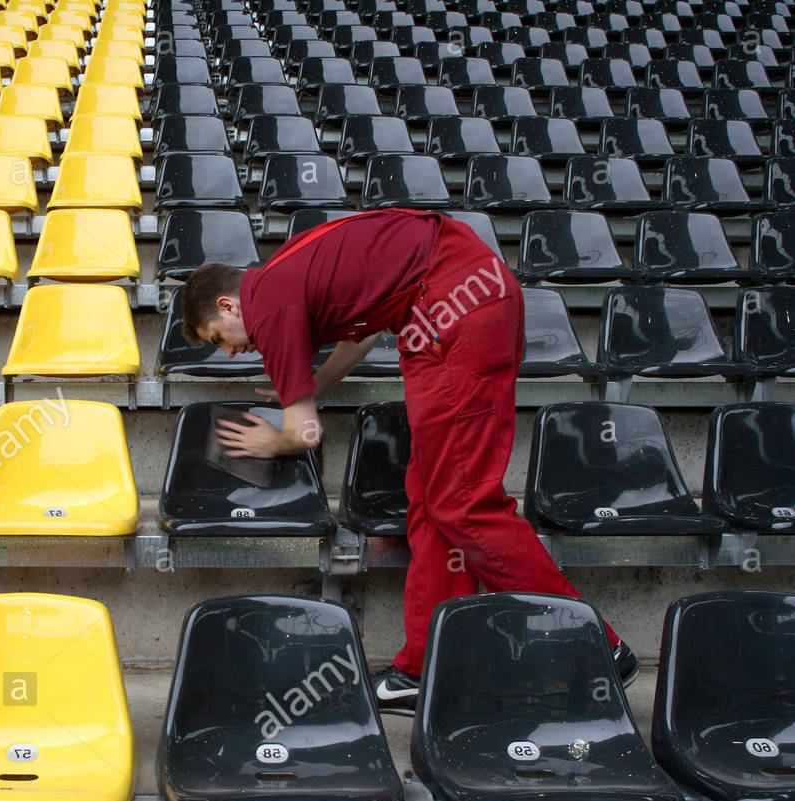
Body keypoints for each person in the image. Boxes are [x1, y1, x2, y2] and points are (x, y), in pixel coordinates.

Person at [180, 209, 638, 711]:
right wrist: (318, 385)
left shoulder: (267, 303)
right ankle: (428, 666)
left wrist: (271, 442)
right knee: (432, 503)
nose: (226, 351)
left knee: (464, 504)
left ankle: (596, 645)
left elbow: (304, 431)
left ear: (228, 304)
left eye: (217, 337)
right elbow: (365, 333)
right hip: (449, 306)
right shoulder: (286, 277)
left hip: (454, 307)